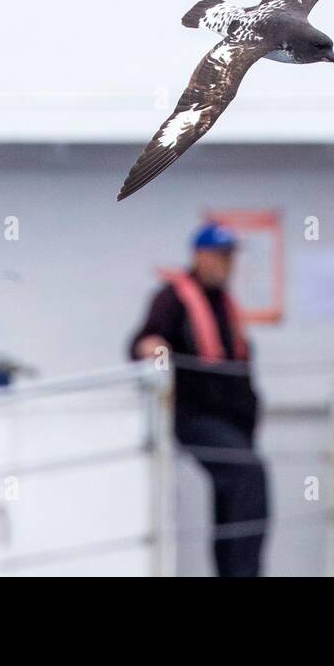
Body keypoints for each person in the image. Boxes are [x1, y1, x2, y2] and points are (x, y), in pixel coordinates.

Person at [129, 222, 268, 577]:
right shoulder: (172, 298)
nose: (227, 264)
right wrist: (154, 352)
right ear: (200, 256)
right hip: (195, 417)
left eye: (230, 256)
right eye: (221, 256)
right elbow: (143, 341)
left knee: (233, 495)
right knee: (248, 477)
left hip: (234, 422)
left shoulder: (224, 303)